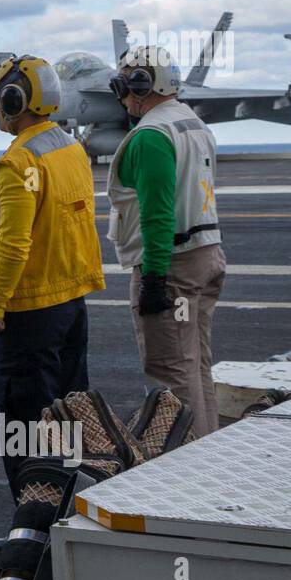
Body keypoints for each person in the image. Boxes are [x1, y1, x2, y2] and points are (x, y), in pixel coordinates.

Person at [0, 55, 105, 501]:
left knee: (24, 429)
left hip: (30, 310)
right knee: (70, 416)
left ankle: (32, 530)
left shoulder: (19, 162)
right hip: (72, 303)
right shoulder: (71, 149)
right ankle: (70, 513)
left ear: (15, 101)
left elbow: (15, 243)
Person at [108, 45, 224, 436]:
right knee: (195, 365)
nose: (121, 95)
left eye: (123, 86)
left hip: (172, 264)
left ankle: (188, 466)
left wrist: (155, 279)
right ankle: (207, 449)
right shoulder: (192, 123)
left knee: (172, 371)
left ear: (141, 85)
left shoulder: (152, 136)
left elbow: (158, 214)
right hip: (206, 255)